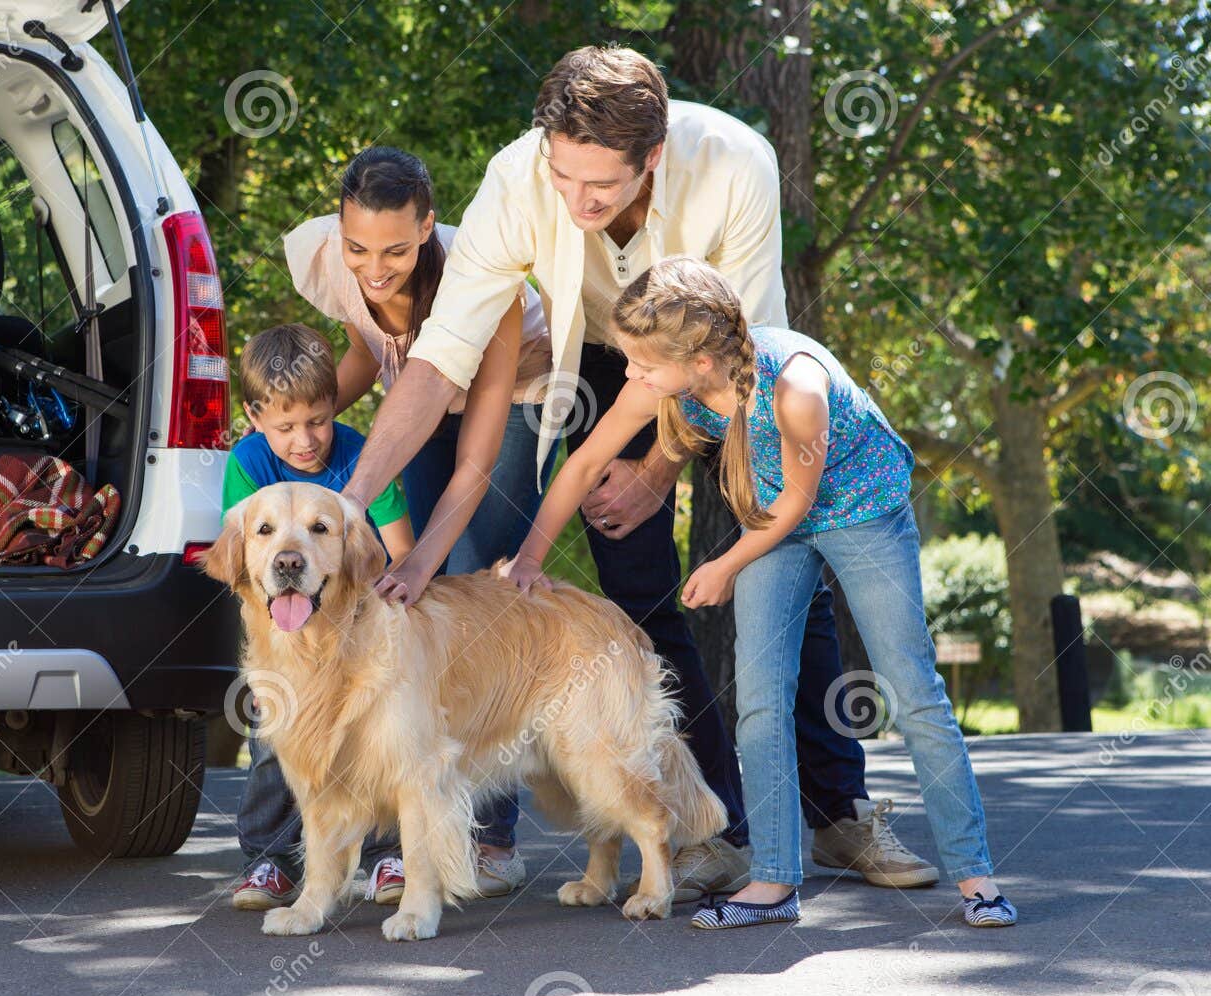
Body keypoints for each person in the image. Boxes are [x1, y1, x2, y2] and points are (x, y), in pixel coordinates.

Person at [340, 45, 936, 898]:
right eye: (562, 177)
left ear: (651, 157)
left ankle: (840, 810)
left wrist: (659, 468)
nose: (576, 201)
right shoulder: (516, 179)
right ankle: (710, 833)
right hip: (598, 355)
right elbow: (439, 361)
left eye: (600, 187)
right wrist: (351, 500)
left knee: (782, 561)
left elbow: (744, 359)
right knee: (638, 589)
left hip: (727, 366)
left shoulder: (735, 165)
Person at [501, 256, 1017, 930]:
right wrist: (528, 561)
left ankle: (977, 879)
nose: (630, 375)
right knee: (761, 699)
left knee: (913, 689)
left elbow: (800, 501)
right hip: (773, 517)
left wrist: (722, 567)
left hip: (861, 511)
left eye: (642, 364)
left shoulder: (794, 387)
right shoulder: (671, 383)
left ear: (699, 361)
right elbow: (586, 464)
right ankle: (773, 881)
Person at [282, 145, 557, 896]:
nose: (374, 268)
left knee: (468, 582)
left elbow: (475, 463)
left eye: (396, 251)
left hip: (514, 400)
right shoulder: (329, 258)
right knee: (408, 604)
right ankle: (412, 818)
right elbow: (367, 350)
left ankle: (491, 837)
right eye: (359, 247)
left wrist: (421, 558)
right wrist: (293, 428)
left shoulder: (486, 281)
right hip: (417, 398)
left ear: (428, 227)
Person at [224, 323, 415, 911]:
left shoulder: (362, 455)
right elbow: (240, 562)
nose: (304, 441)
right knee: (272, 738)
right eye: (285, 428)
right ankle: (270, 859)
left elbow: (401, 551)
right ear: (255, 417)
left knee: (376, 739)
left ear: (335, 403)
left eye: (317, 421)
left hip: (359, 631)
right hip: (283, 639)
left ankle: (388, 856)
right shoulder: (248, 461)